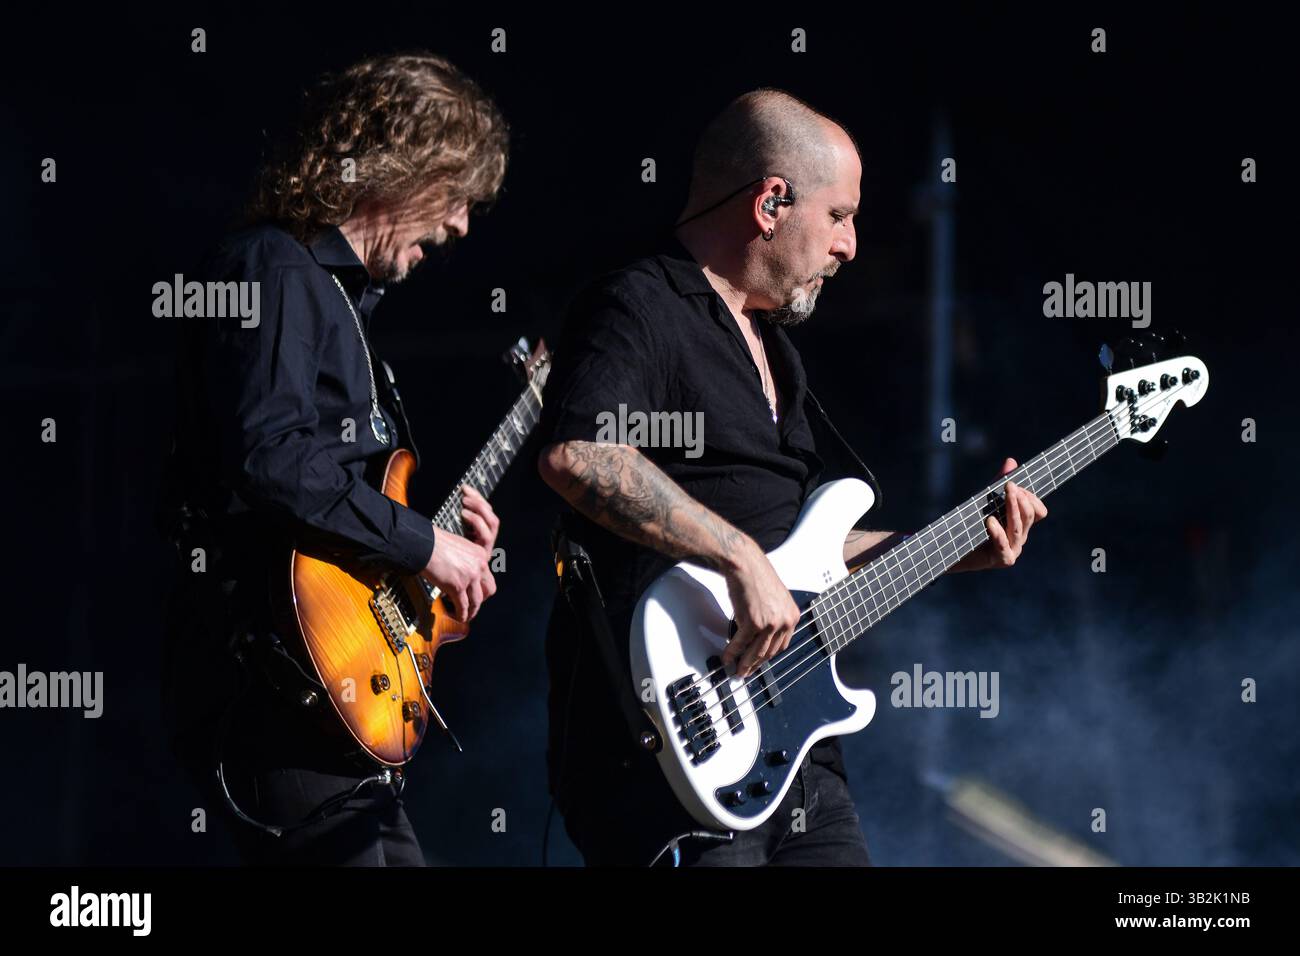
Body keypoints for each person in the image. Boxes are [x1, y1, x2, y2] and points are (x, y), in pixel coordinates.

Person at [536, 88, 1048, 866]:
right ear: (771, 203)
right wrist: (738, 558)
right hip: (670, 744)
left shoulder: (779, 354)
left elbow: (802, 557)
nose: (850, 246)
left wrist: (949, 548)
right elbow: (580, 455)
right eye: (839, 215)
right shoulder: (638, 304)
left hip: (797, 747)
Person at [161, 53, 508, 866]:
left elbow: (325, 505)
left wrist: (431, 578)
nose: (461, 226)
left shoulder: (336, 303)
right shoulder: (274, 266)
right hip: (274, 692)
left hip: (334, 700)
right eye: (456, 194)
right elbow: (271, 457)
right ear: (401, 165)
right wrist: (425, 543)